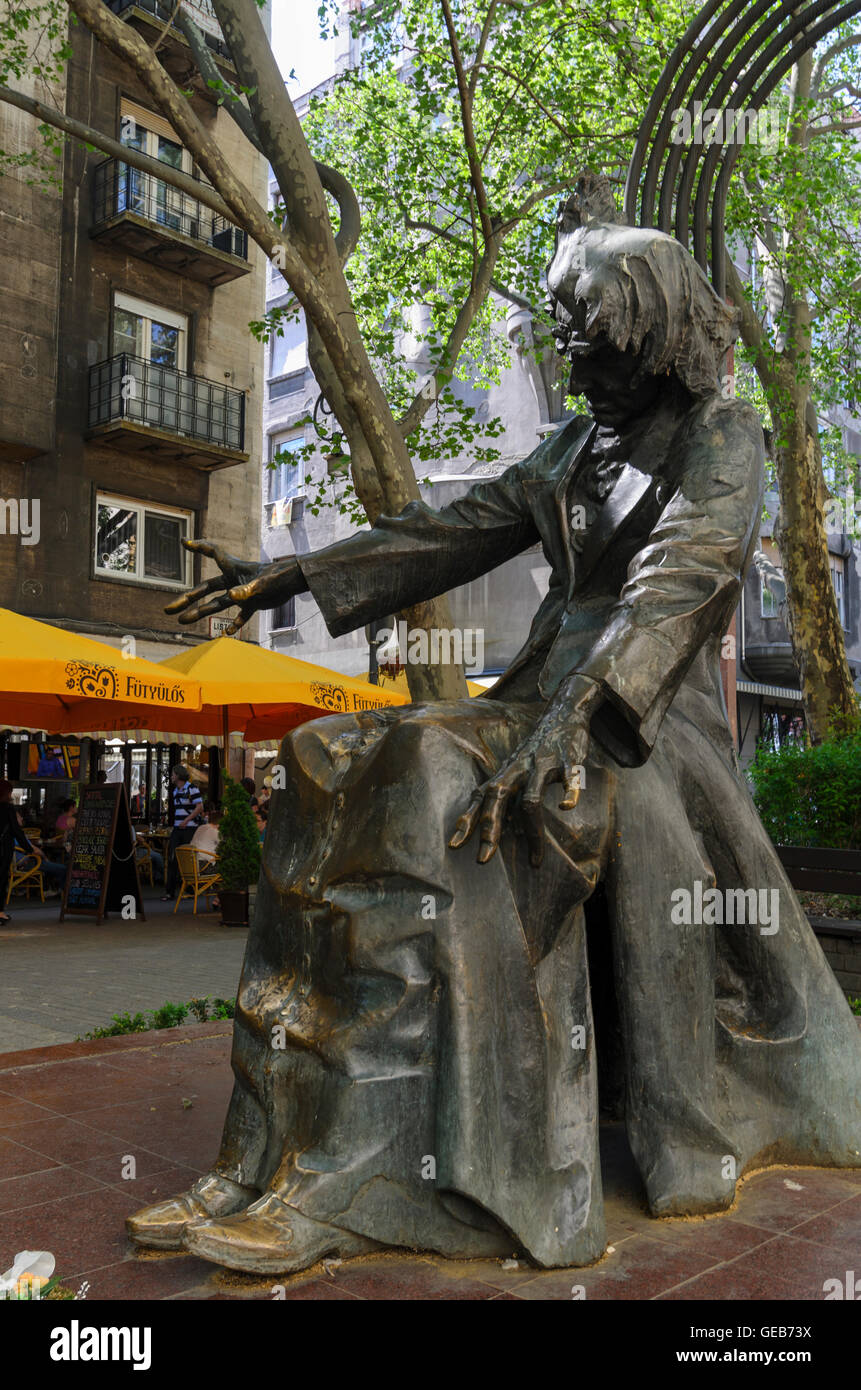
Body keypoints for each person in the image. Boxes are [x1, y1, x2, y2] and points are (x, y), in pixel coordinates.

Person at [130, 176, 861, 1275]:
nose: (576, 370)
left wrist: (577, 714)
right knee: (323, 749)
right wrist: (286, 572)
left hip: (641, 731)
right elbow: (445, 529)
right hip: (535, 705)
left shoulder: (724, 436)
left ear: (655, 338)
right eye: (567, 343)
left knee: (430, 763)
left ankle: (390, 1174)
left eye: (596, 349)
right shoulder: (570, 453)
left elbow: (681, 582)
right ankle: (268, 1147)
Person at [0, 779, 46, 922]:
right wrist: (28, 849)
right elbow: (16, 830)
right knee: (1, 880)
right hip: (2, 850)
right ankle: (0, 913)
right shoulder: (7, 808)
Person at [162, 766, 204, 901]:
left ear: (179, 776)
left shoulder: (192, 788)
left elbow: (200, 807)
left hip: (189, 828)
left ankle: (191, 889)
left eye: (173, 774)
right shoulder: (175, 791)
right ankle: (170, 891)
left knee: (188, 858)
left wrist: (186, 820)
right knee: (172, 857)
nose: (172, 776)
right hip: (177, 828)